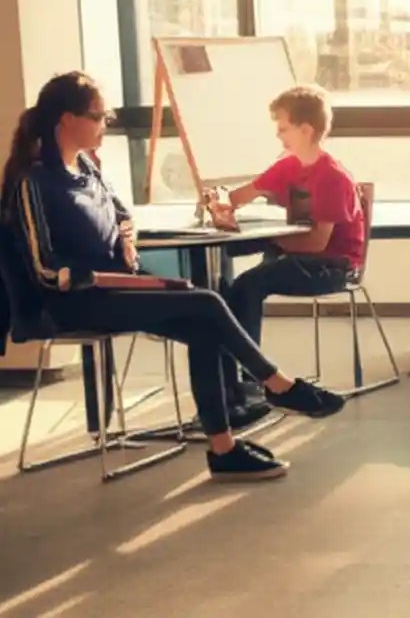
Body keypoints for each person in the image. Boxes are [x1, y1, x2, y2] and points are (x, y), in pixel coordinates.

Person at [1, 71, 345, 481]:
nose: (106, 123)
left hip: (117, 294)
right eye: (99, 115)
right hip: (74, 301)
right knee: (207, 301)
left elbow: (121, 214)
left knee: (204, 325)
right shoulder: (33, 182)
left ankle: (224, 449)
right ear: (66, 120)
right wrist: (110, 278)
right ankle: (277, 384)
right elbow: (44, 268)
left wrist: (126, 236)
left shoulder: (89, 171)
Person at [205, 85, 366, 394]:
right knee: (227, 257)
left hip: (330, 266)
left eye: (283, 129)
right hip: (298, 254)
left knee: (247, 285)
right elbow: (239, 197)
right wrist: (217, 201)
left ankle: (250, 378)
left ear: (305, 130)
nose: (278, 136)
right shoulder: (288, 165)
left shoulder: (333, 177)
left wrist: (272, 242)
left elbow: (318, 243)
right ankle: (227, 365)